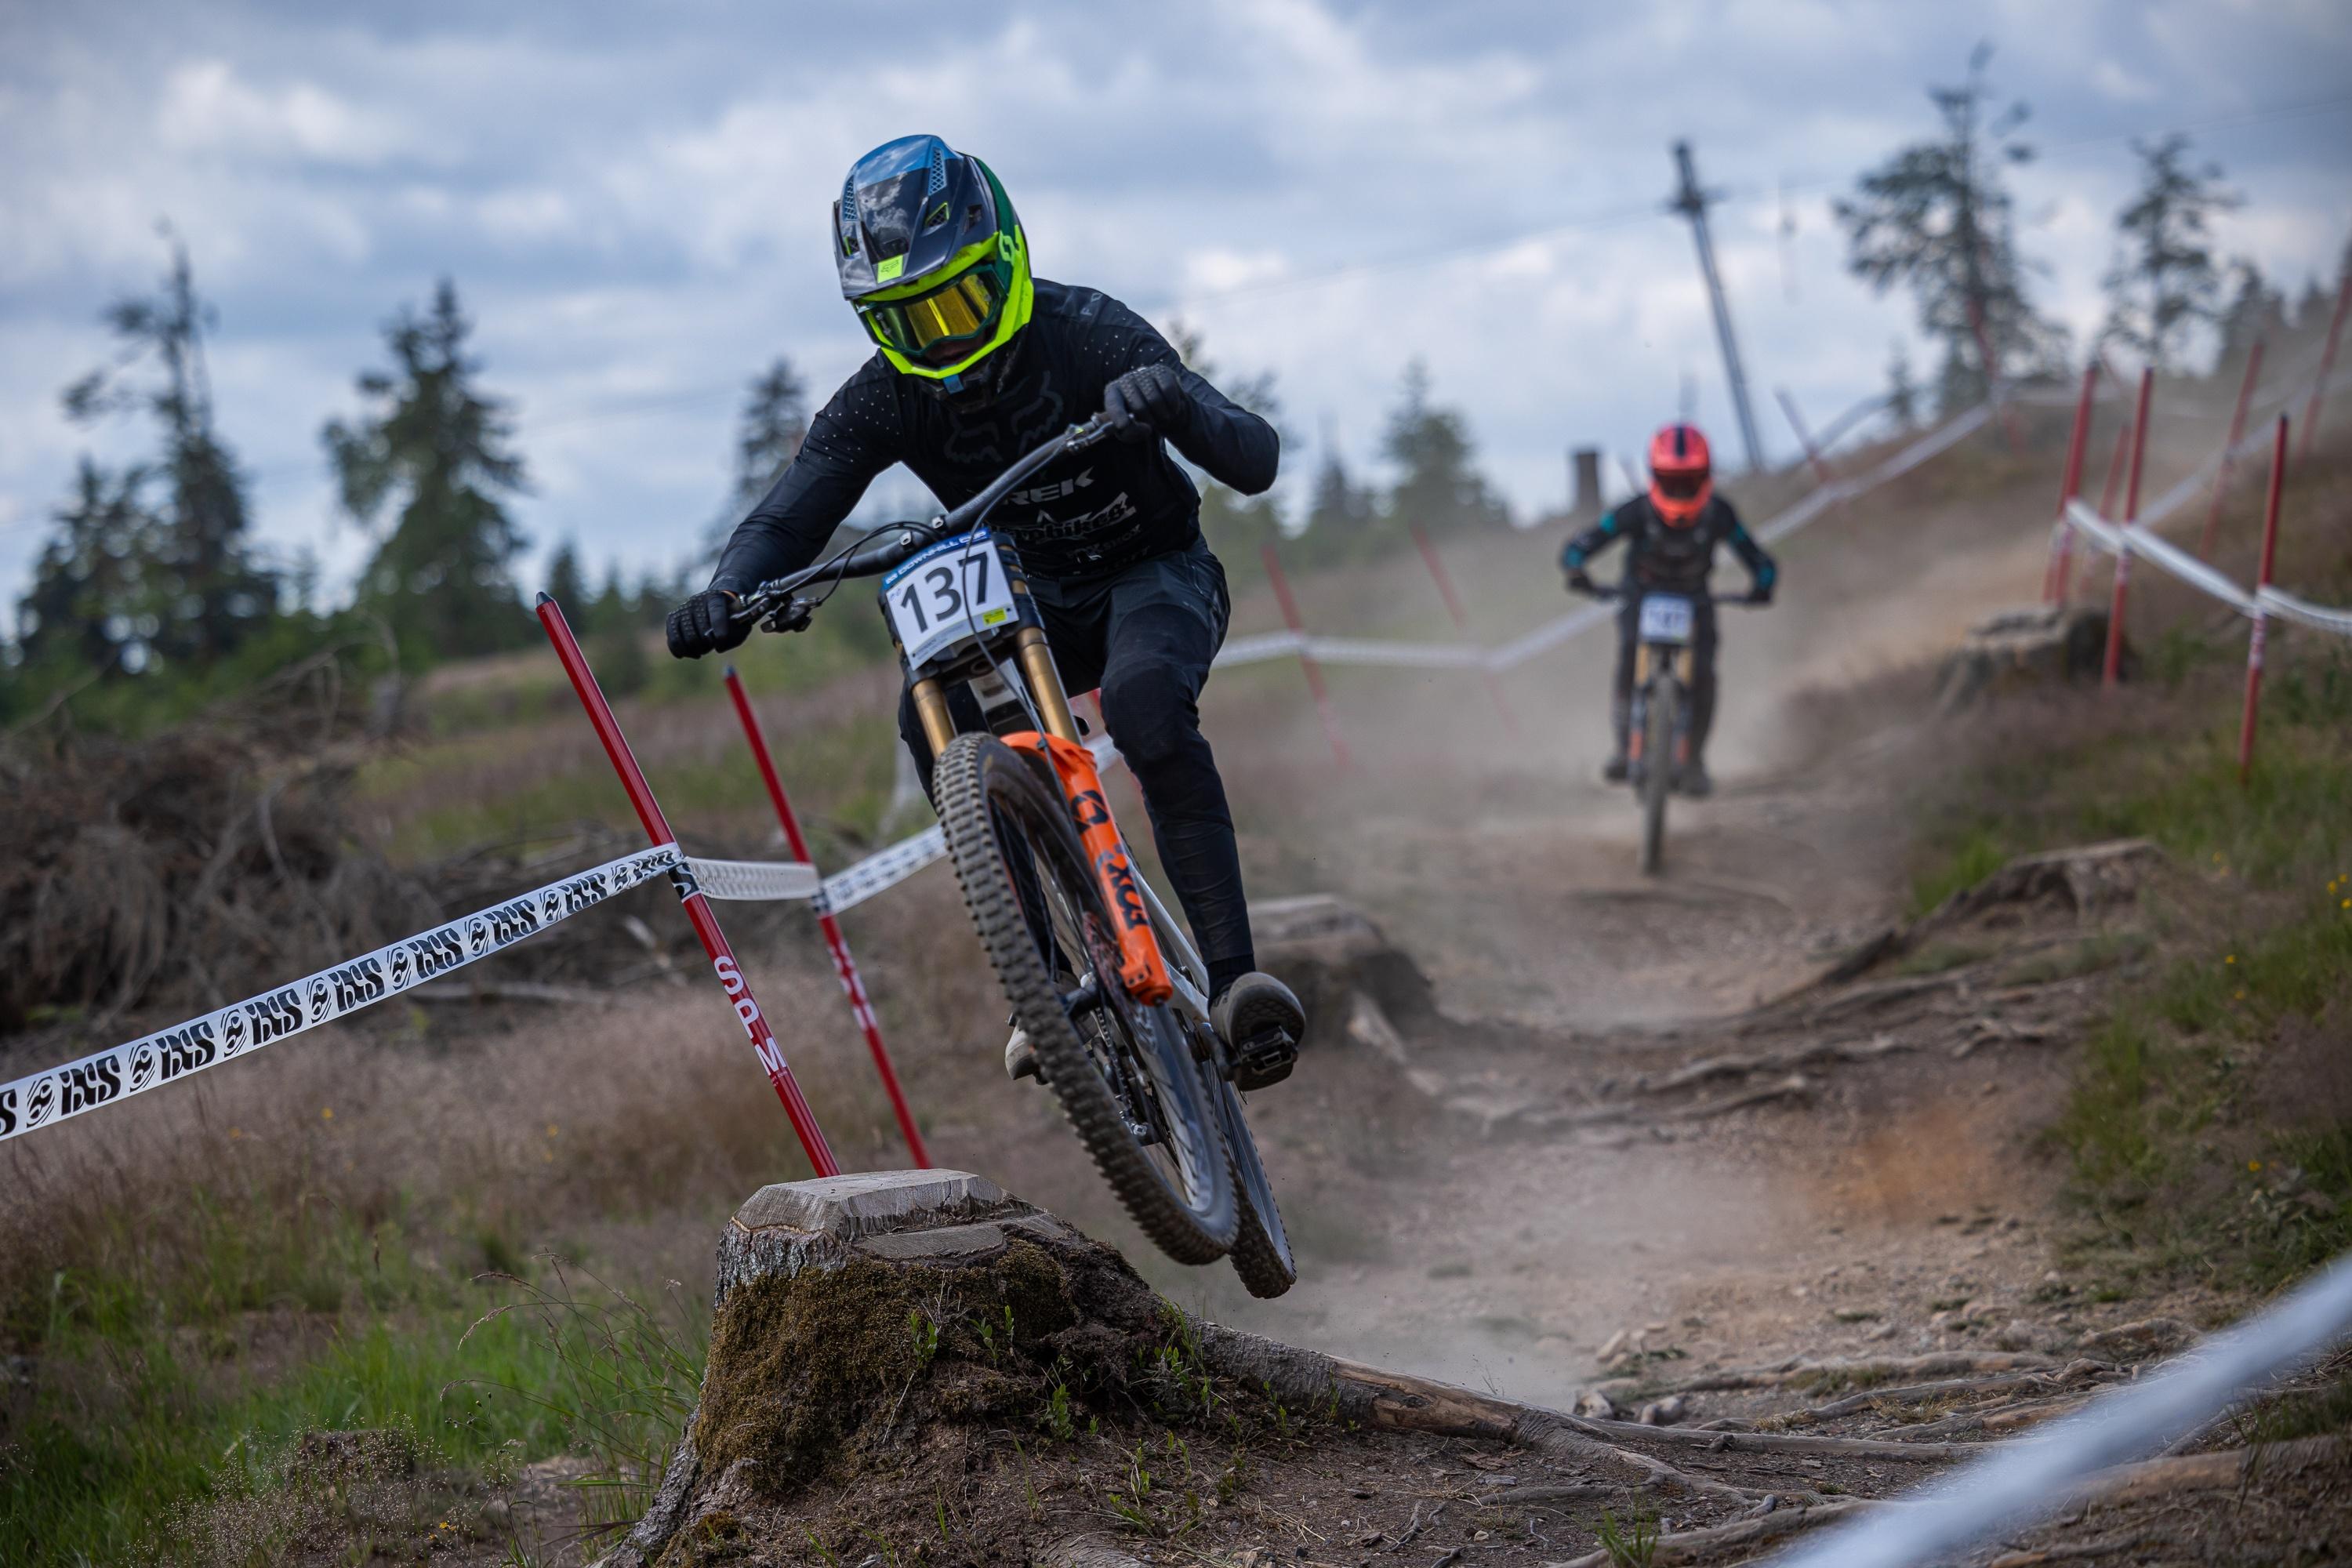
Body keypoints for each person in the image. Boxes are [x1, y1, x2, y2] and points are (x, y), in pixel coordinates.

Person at [666, 135, 1304, 1090]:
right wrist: (729, 589)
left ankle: (1236, 983)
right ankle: (1041, 989)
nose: (943, 341)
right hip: (1030, 598)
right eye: (908, 321)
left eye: (955, 303)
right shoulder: (887, 395)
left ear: (1002, 260)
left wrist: (1172, 403)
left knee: (1143, 704)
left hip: (1155, 570)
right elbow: (789, 514)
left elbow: (1254, 457)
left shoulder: (1086, 330)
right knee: (933, 713)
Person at [1559, 422, 1776, 798]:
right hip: (1641, 596)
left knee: (1704, 675)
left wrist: (1763, 583)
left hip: (1696, 601)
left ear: (1705, 476)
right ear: (1656, 476)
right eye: (1672, 481)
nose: (1680, 490)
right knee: (1629, 657)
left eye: (1689, 481)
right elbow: (1585, 543)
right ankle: (1623, 747)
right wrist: (1576, 568)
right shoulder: (1636, 511)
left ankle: (1694, 761)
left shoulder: (1719, 514)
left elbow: (1757, 557)